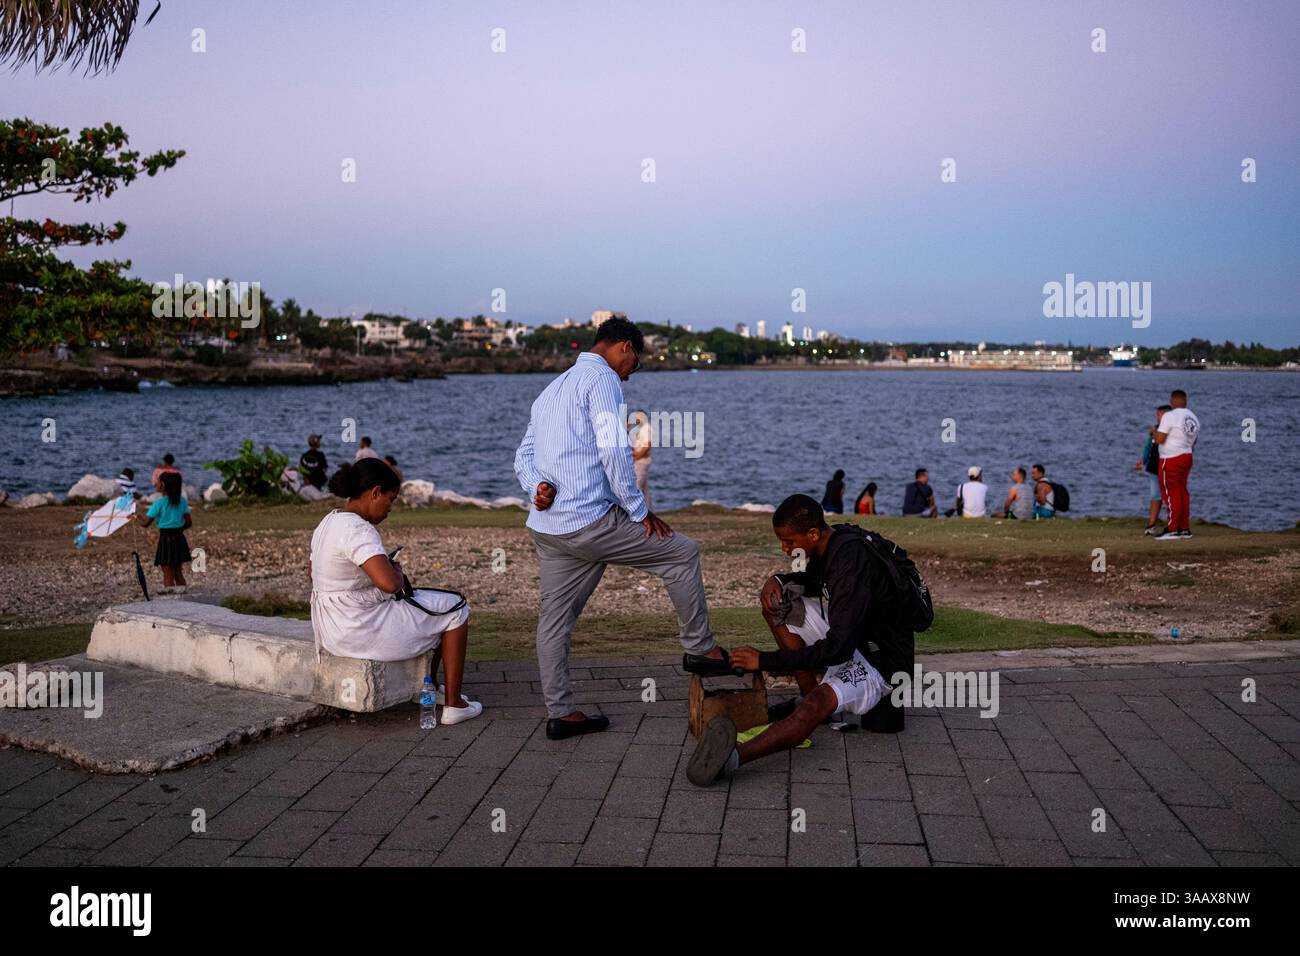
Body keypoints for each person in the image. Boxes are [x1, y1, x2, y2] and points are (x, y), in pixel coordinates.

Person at [514, 316, 727, 740]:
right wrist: (638, 509)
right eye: (636, 364)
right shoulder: (604, 380)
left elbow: (523, 454)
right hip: (591, 521)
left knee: (554, 622)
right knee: (681, 552)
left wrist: (536, 486)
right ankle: (701, 649)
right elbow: (614, 450)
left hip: (549, 527)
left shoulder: (551, 390)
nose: (631, 375)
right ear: (625, 347)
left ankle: (561, 713)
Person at [686, 494, 913, 786]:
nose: (785, 549)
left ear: (813, 533)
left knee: (815, 705)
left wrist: (764, 660)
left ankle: (731, 759)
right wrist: (778, 580)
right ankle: (812, 699)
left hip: (881, 663)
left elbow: (837, 649)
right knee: (778, 605)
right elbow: (812, 581)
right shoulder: (833, 541)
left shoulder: (850, 561)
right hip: (854, 639)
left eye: (789, 542)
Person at [309, 459, 480, 724]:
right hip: (358, 629)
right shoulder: (358, 530)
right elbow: (390, 584)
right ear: (375, 492)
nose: (390, 509)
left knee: (433, 605)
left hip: (332, 627)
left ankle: (431, 688)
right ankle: (455, 705)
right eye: (390, 499)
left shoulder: (329, 522)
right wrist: (396, 572)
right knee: (455, 607)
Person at [1154, 389, 1200, 540]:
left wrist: (1154, 433)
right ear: (1186, 401)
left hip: (1170, 458)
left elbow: (1160, 439)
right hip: (1186, 456)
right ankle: (1184, 528)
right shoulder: (1193, 417)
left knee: (1170, 492)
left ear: (1171, 402)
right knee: (1182, 492)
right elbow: (1194, 441)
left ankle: (1172, 528)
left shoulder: (1170, 416)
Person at [135, 471, 191, 592]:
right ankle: (186, 600)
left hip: (166, 540)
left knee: (168, 574)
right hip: (179, 538)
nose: (155, 483)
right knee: (178, 573)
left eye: (158, 481)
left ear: (163, 485)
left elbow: (145, 524)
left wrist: (136, 518)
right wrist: (178, 529)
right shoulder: (182, 501)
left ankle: (171, 603)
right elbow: (188, 523)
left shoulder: (158, 504)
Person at [1136, 405, 1171, 535]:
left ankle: (1172, 524)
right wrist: (1143, 461)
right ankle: (1151, 524)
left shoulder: (1173, 431)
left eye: (1160, 414)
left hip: (1168, 466)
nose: (1157, 417)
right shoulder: (1154, 431)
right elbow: (1147, 447)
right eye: (1157, 414)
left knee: (1170, 497)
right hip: (1154, 467)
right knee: (1155, 496)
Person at [628, 409, 653, 511]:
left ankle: (636, 511)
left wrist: (636, 457)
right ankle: (648, 511)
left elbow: (647, 446)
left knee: (637, 486)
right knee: (644, 488)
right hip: (640, 460)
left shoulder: (646, 429)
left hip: (641, 461)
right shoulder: (642, 429)